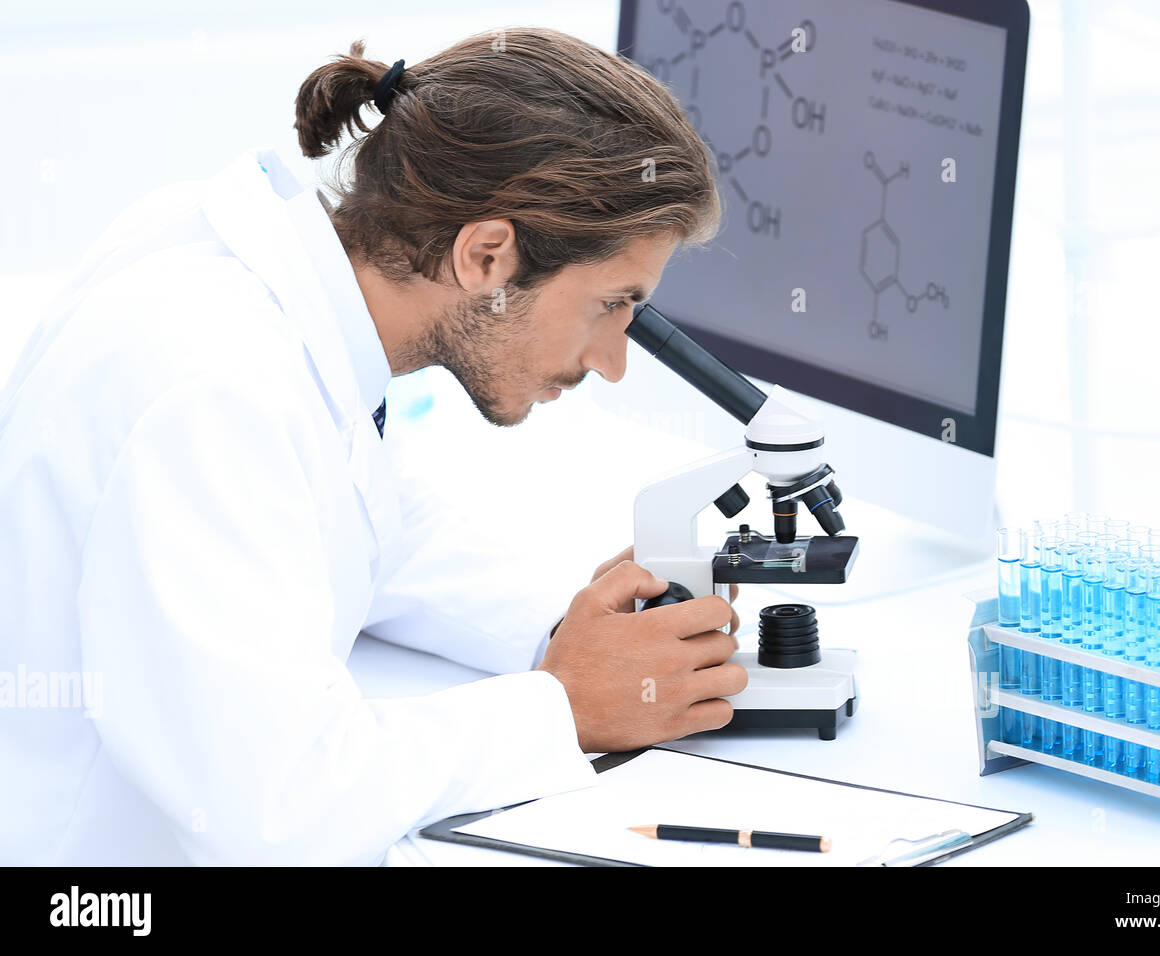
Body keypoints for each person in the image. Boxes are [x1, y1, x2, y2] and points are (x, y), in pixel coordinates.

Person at [0, 28, 746, 865]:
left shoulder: (264, 281)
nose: (612, 363)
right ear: (487, 256)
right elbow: (279, 808)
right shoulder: (218, 388)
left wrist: (570, 622)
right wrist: (561, 707)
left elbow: (351, 516)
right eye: (612, 304)